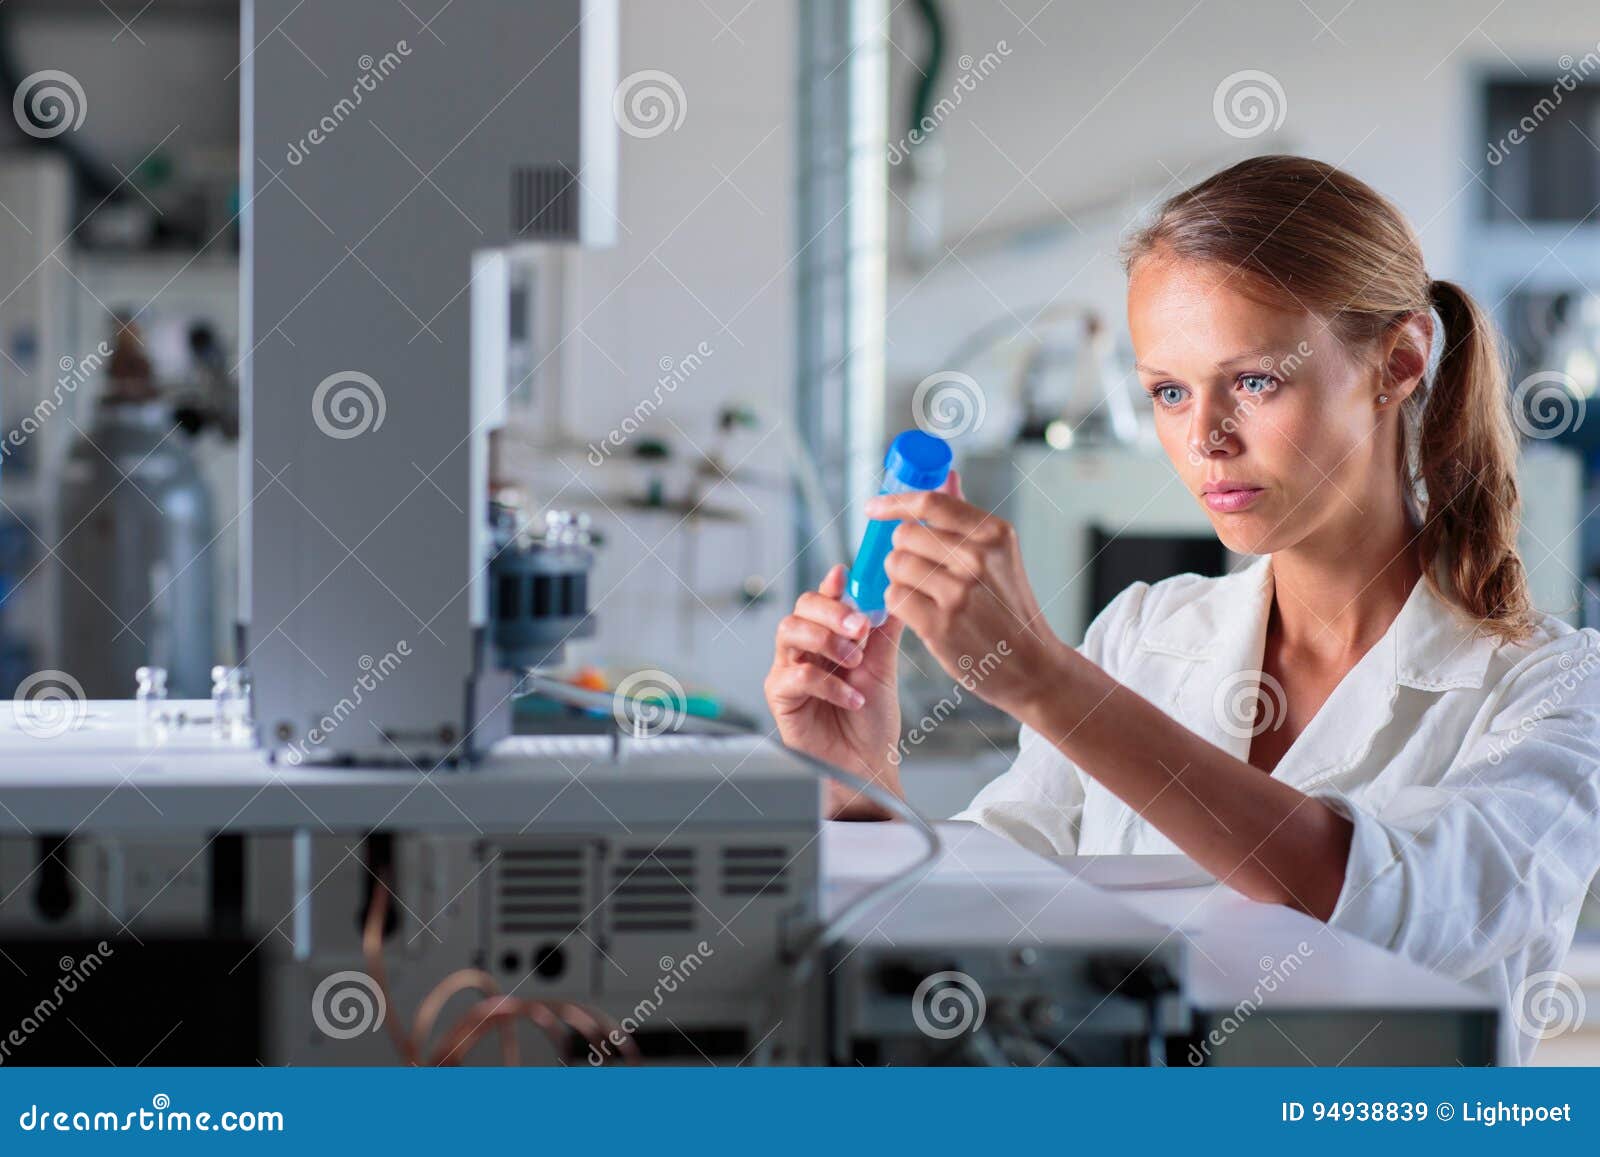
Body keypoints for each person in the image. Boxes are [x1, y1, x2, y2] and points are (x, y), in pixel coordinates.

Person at [764, 154, 1600, 1063]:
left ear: (1398, 362)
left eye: (1253, 381)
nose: (1204, 437)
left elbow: (1386, 904)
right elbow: (993, 906)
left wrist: (1045, 679)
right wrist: (864, 787)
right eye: (1169, 390)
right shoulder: (1143, 634)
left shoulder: (1555, 689)